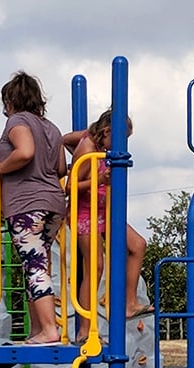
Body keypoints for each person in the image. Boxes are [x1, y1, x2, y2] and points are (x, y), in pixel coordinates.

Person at [0, 71, 67, 346]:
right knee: (38, 264)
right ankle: (39, 330)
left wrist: (0, 166)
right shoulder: (51, 127)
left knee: (34, 265)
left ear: (10, 101)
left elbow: (25, 151)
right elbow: (61, 168)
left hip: (27, 204)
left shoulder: (17, 121)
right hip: (54, 203)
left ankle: (49, 330)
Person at [63, 109, 153, 343]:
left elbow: (65, 139)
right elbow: (70, 187)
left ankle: (129, 304)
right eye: (120, 140)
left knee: (137, 245)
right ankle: (85, 329)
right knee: (95, 267)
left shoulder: (92, 139)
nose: (119, 147)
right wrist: (98, 178)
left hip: (104, 209)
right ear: (107, 131)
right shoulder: (88, 149)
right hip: (85, 213)